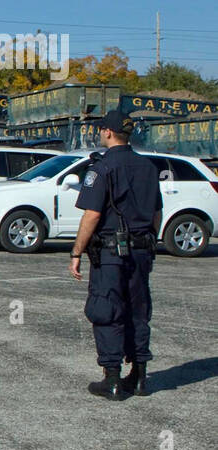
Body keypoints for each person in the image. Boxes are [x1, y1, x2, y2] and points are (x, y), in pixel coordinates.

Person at [69, 110, 162, 401]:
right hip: (142, 251)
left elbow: (92, 215)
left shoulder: (101, 168)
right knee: (138, 310)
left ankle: (111, 379)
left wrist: (77, 252)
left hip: (111, 253)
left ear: (107, 133)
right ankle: (140, 376)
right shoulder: (148, 167)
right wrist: (149, 243)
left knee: (107, 309)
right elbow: (157, 214)